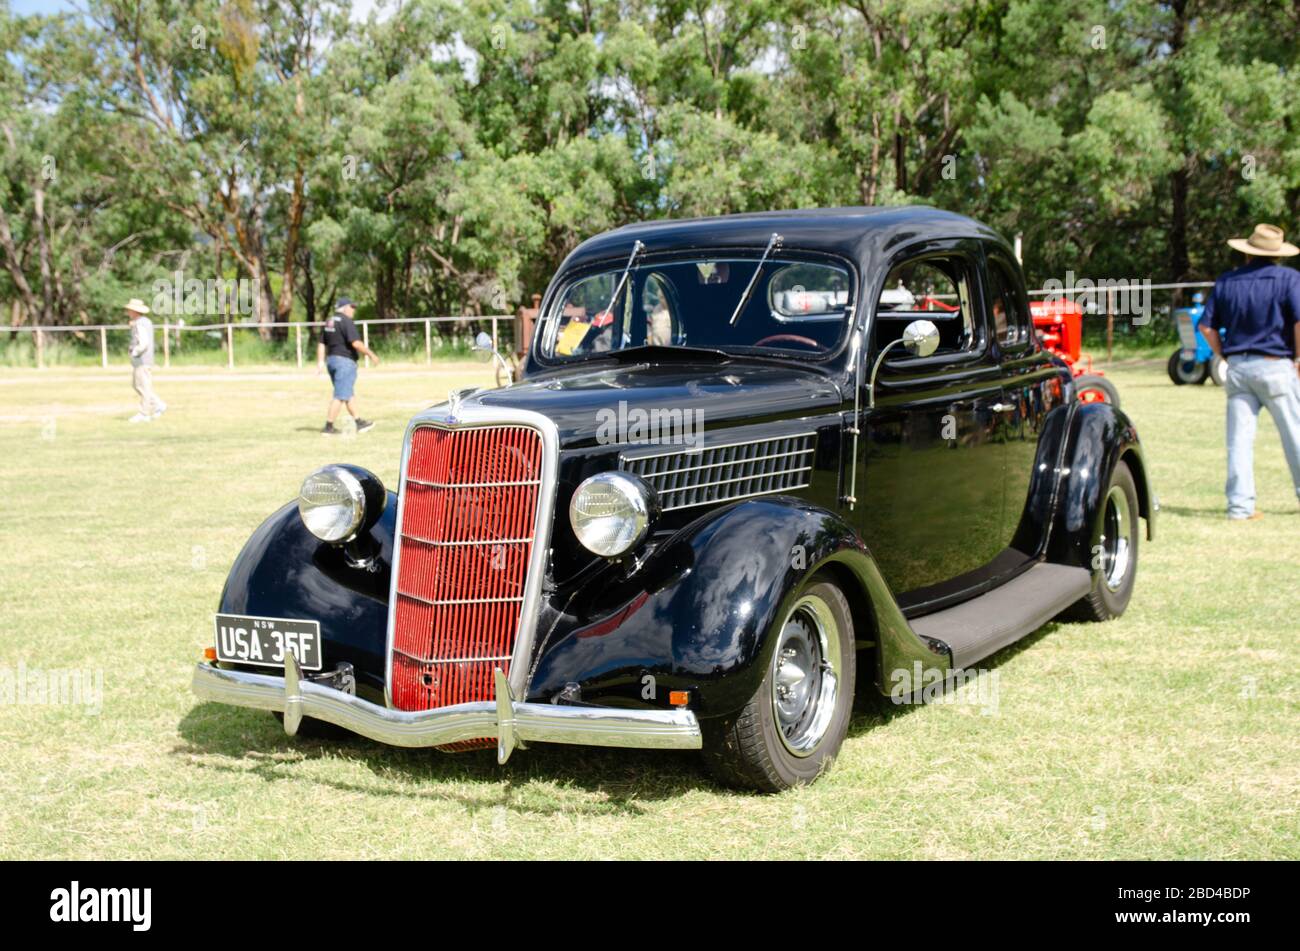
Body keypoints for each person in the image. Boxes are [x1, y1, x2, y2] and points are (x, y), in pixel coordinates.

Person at [1197, 223, 1300, 519]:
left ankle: (1240, 507)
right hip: (1275, 366)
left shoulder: (1227, 281)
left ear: (1247, 253)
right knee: (1294, 434)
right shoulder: (1289, 279)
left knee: (1239, 440)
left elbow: (1206, 326)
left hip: (1239, 369)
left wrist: (1225, 356)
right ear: (1278, 254)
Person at [316, 297, 379, 435]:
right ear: (344, 308)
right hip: (344, 362)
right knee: (340, 395)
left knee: (346, 393)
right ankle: (328, 427)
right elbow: (355, 343)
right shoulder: (346, 321)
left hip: (331, 361)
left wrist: (320, 362)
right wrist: (371, 354)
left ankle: (358, 422)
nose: (353, 310)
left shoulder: (330, 322)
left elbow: (321, 343)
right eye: (352, 307)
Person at [126, 298, 166, 423]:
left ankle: (144, 413)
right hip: (144, 360)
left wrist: (134, 352)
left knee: (142, 386)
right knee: (139, 385)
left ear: (134, 311)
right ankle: (158, 405)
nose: (128, 312)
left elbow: (143, 343)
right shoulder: (144, 321)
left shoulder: (140, 323)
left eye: (130, 310)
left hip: (142, 360)